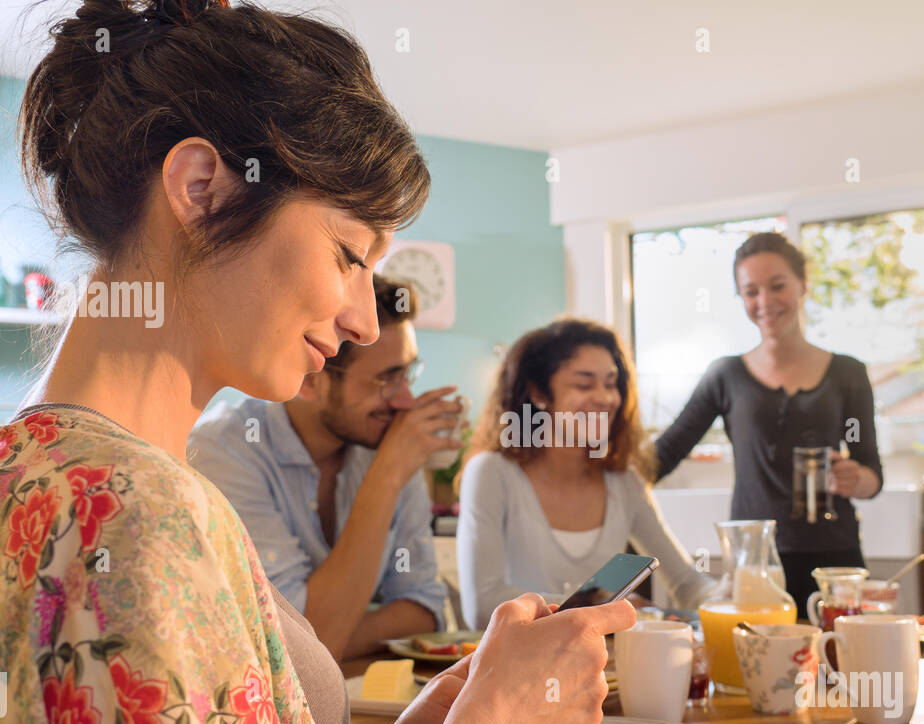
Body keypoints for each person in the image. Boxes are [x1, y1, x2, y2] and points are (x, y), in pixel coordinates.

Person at [0, 0, 633, 724]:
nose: (367, 321)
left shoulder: (32, 467)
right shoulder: (137, 518)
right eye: (348, 254)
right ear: (200, 188)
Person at [188, 274, 459, 662]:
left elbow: (424, 610)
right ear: (311, 381)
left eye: (407, 373)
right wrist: (387, 476)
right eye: (385, 380)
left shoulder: (382, 439)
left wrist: (325, 639)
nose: (405, 401)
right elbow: (295, 646)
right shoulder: (225, 452)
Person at [652, 232, 883, 612]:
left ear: (802, 285)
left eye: (778, 286)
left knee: (840, 664)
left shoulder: (848, 373)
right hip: (752, 563)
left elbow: (873, 474)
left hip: (834, 558)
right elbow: (665, 453)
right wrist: (596, 479)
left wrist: (855, 479)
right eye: (751, 292)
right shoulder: (725, 375)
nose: (765, 302)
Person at [457, 318, 714, 629]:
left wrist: (736, 599)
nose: (606, 398)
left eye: (610, 383)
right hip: (517, 670)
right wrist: (599, 608)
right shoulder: (491, 473)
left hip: (604, 670)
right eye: (584, 384)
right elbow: (484, 606)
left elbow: (687, 583)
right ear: (539, 392)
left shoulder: (624, 481)